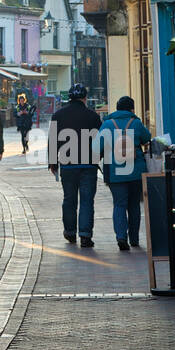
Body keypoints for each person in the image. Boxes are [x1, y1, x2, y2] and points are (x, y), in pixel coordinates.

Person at [49, 83, 102, 247]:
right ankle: (85, 235)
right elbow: (100, 141)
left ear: (69, 98)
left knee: (69, 199)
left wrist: (53, 163)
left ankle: (70, 232)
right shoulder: (93, 116)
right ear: (85, 98)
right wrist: (98, 158)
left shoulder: (58, 115)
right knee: (87, 200)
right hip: (88, 165)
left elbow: (53, 140)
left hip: (68, 164)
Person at [97, 96, 151, 250]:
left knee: (119, 204)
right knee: (134, 205)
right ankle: (134, 239)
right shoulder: (136, 123)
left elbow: (97, 147)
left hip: (115, 173)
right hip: (136, 172)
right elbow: (147, 139)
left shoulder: (107, 124)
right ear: (131, 109)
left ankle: (121, 237)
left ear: (117, 108)